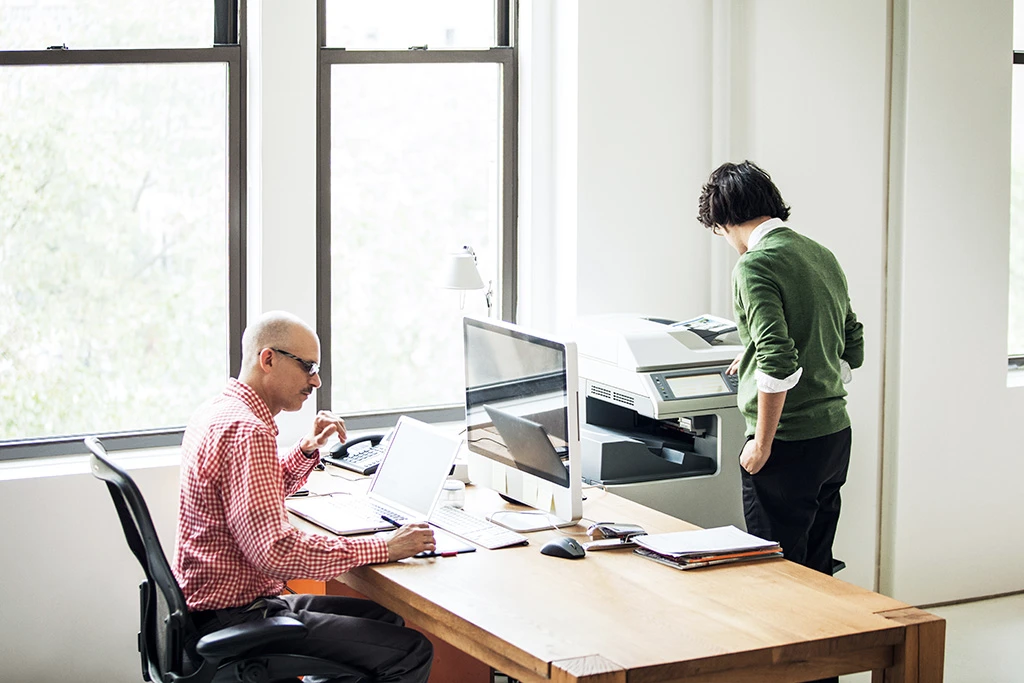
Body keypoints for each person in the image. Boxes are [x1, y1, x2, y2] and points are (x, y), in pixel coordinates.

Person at [173, 310, 435, 683]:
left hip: (211, 610)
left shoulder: (219, 411)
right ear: (268, 359)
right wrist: (385, 547)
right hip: (236, 615)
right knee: (411, 651)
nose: (316, 380)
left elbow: (251, 496)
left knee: (385, 619)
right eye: (308, 366)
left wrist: (307, 449)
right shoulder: (248, 430)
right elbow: (276, 551)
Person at [696, 161, 864, 582]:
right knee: (818, 568)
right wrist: (754, 355)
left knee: (780, 576)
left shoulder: (755, 265)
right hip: (833, 439)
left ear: (724, 220)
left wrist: (762, 444)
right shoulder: (819, 254)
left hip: (786, 443)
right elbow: (851, 345)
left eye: (718, 230)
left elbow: (777, 360)